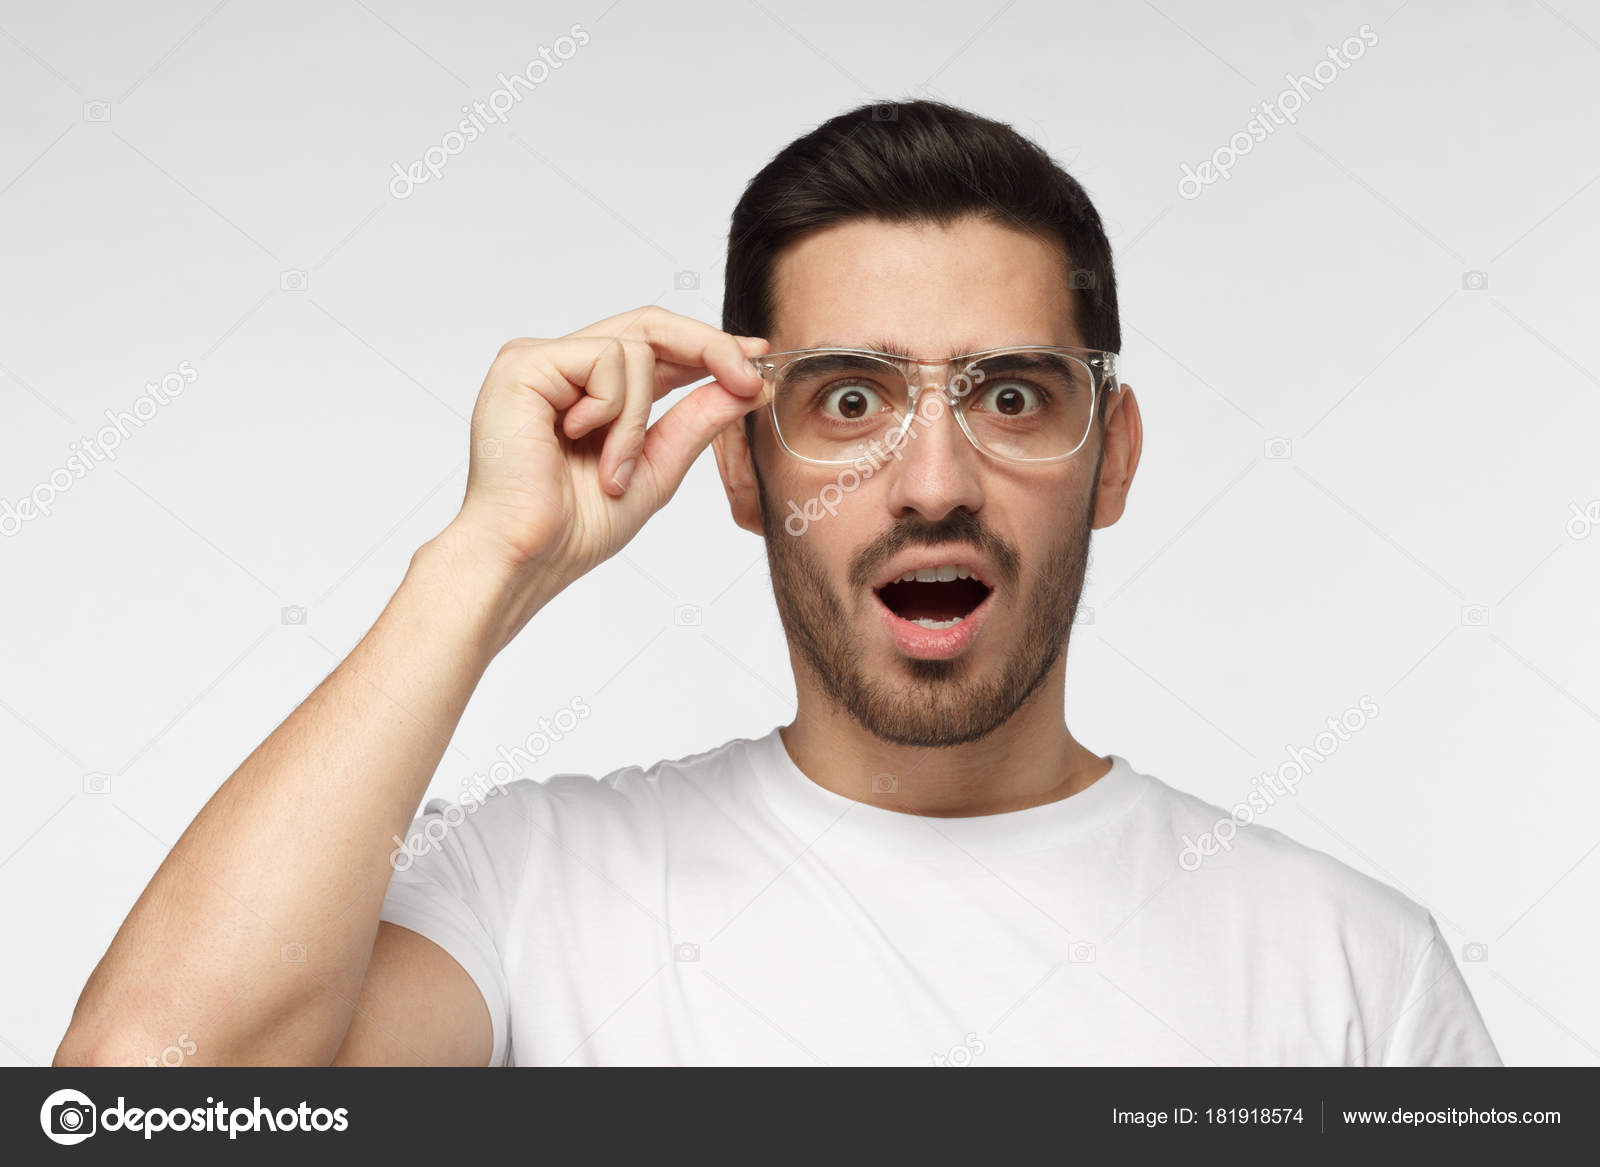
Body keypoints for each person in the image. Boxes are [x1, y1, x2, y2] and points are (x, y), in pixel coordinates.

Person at [55, 100, 1498, 1067]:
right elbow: (143, 1102)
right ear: (743, 471)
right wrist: (483, 566)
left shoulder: (1356, 977)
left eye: (1009, 396)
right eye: (852, 404)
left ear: (1110, 457)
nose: (934, 482)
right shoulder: (533, 889)